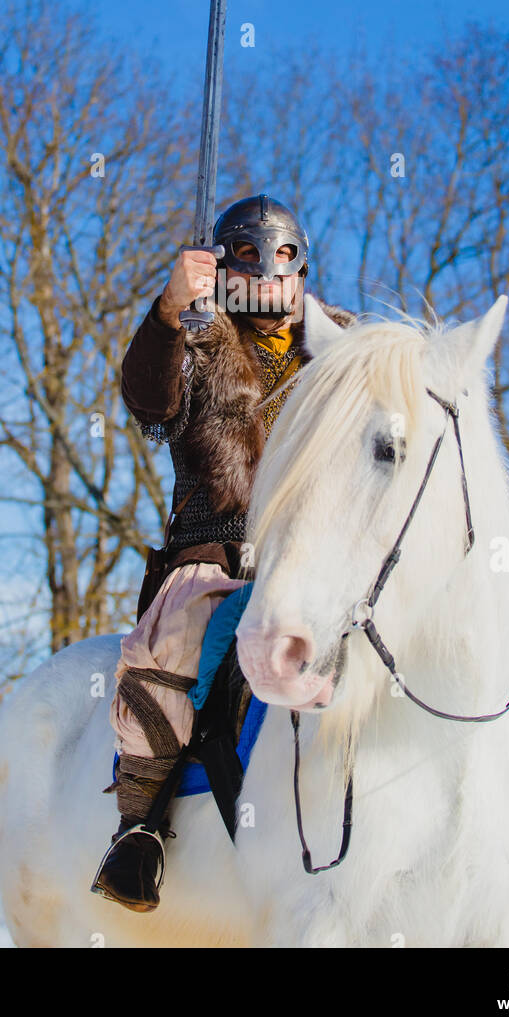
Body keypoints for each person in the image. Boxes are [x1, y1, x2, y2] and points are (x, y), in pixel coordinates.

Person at [90, 194, 355, 911]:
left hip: (321, 551)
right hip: (216, 550)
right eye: (250, 258)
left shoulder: (344, 344)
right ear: (228, 267)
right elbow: (146, 401)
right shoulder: (197, 336)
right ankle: (138, 831)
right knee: (171, 649)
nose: (270, 276)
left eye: (284, 261)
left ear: (301, 267)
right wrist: (171, 311)